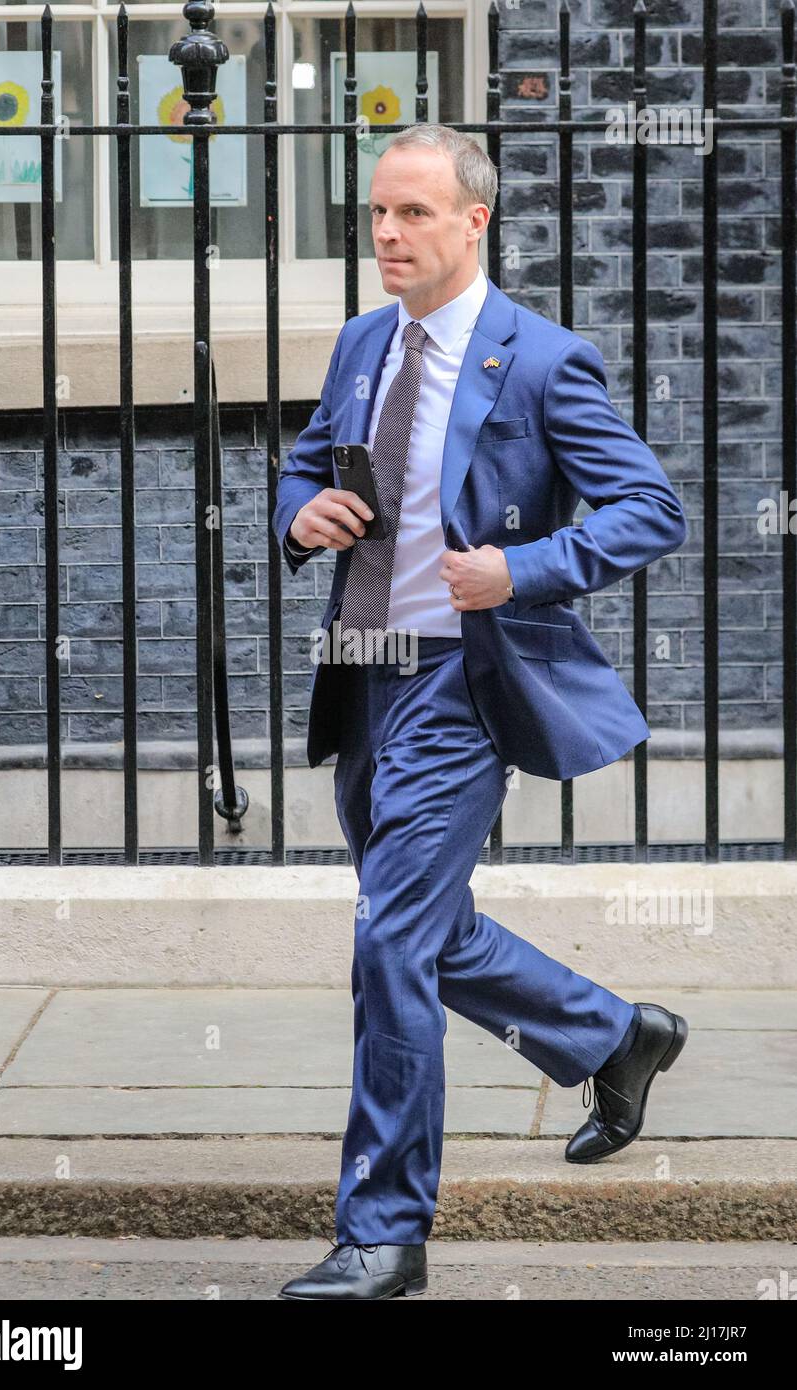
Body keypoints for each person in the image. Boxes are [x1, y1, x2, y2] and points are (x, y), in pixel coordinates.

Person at [271, 123, 689, 1301]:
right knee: (423, 928)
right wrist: (300, 517)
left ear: (473, 221)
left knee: (387, 943)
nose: (387, 235)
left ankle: (383, 1233)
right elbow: (307, 465)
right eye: (376, 215)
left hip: (463, 683)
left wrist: (519, 569)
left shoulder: (542, 359)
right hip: (365, 668)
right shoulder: (364, 341)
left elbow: (647, 507)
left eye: (411, 214)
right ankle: (614, 1038)